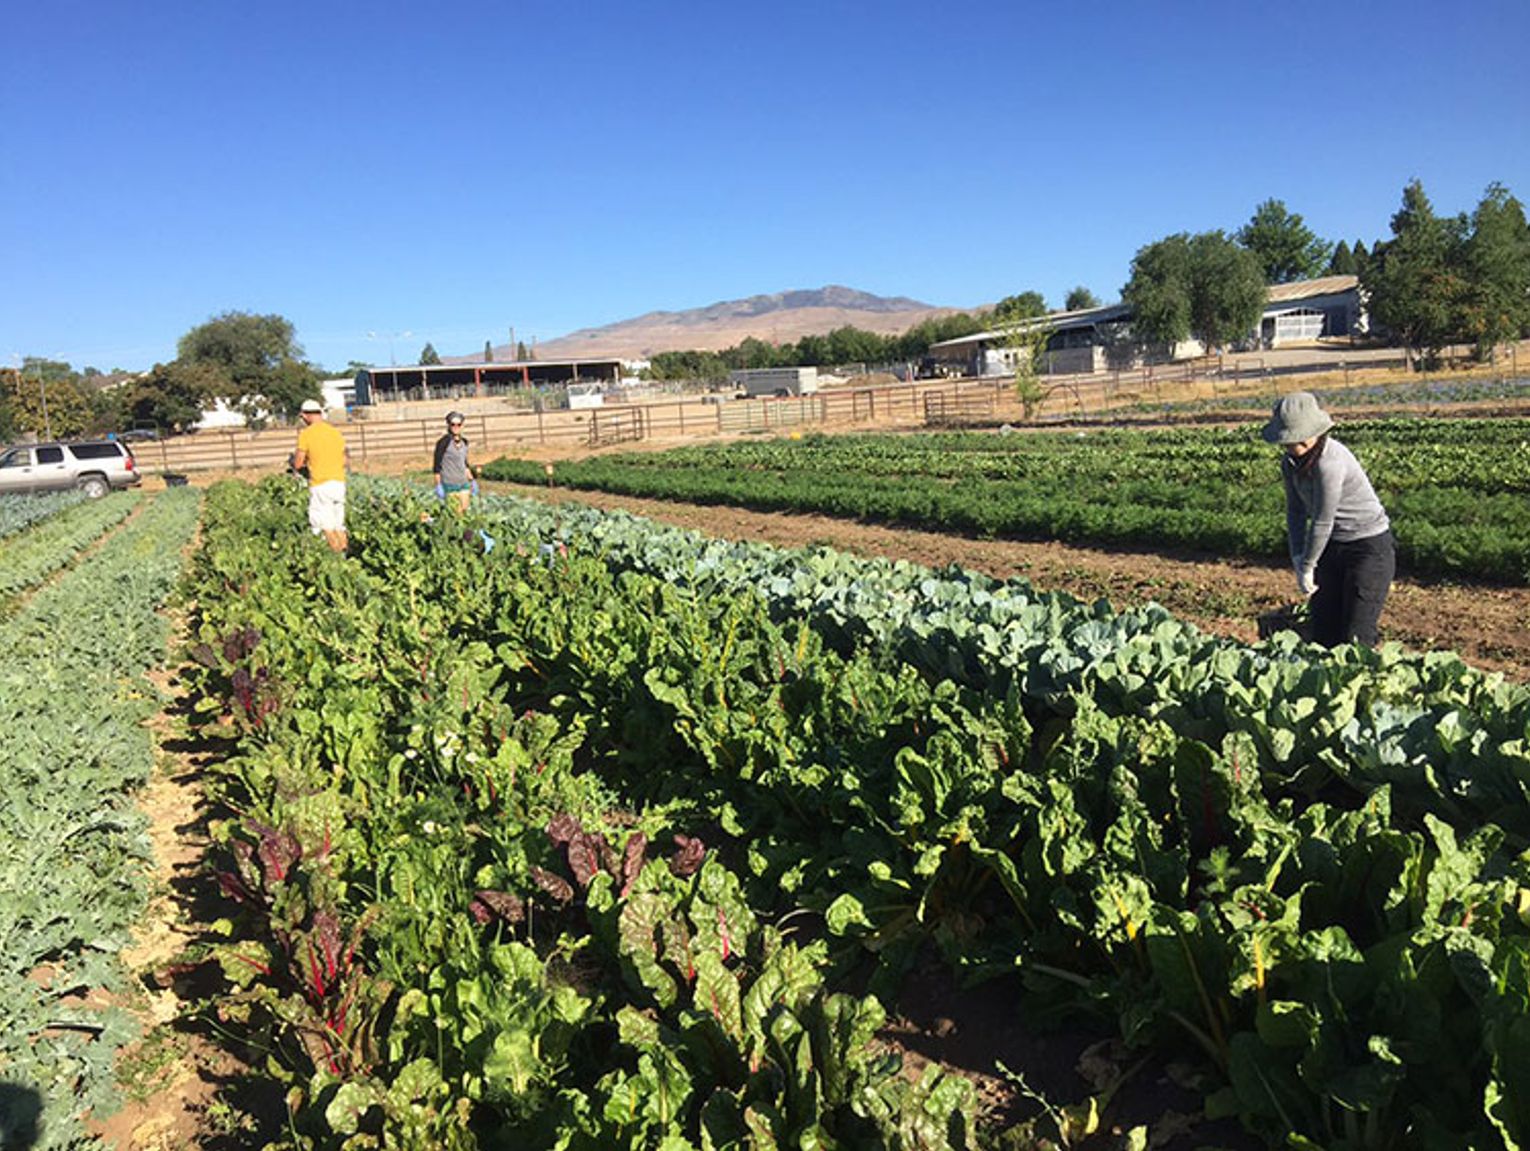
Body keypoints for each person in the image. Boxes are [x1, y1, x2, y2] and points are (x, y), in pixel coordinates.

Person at [1261, 391, 1394, 647]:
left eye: (1298, 439)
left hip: (1367, 547)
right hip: (1332, 546)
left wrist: (1309, 566)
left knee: (1356, 636)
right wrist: (1298, 557)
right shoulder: (1290, 463)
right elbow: (1296, 512)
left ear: (1314, 433)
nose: (1292, 446)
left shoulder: (1329, 462)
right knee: (1323, 631)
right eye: (1287, 440)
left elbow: (1323, 520)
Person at [293, 398, 348, 552]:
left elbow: (298, 463)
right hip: (339, 483)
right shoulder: (335, 432)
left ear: (305, 415)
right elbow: (344, 459)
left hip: (320, 484)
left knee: (325, 527)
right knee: (339, 525)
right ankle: (346, 557)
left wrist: (299, 466)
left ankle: (334, 560)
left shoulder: (306, 434)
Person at [433, 411, 478, 513]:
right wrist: (438, 485)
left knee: (465, 512)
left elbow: (464, 463)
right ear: (448, 425)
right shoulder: (443, 442)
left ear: (462, 426)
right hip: (450, 484)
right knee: (455, 514)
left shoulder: (464, 442)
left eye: (459, 424)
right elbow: (436, 466)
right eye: (453, 424)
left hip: (463, 483)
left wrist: (472, 481)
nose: (456, 427)